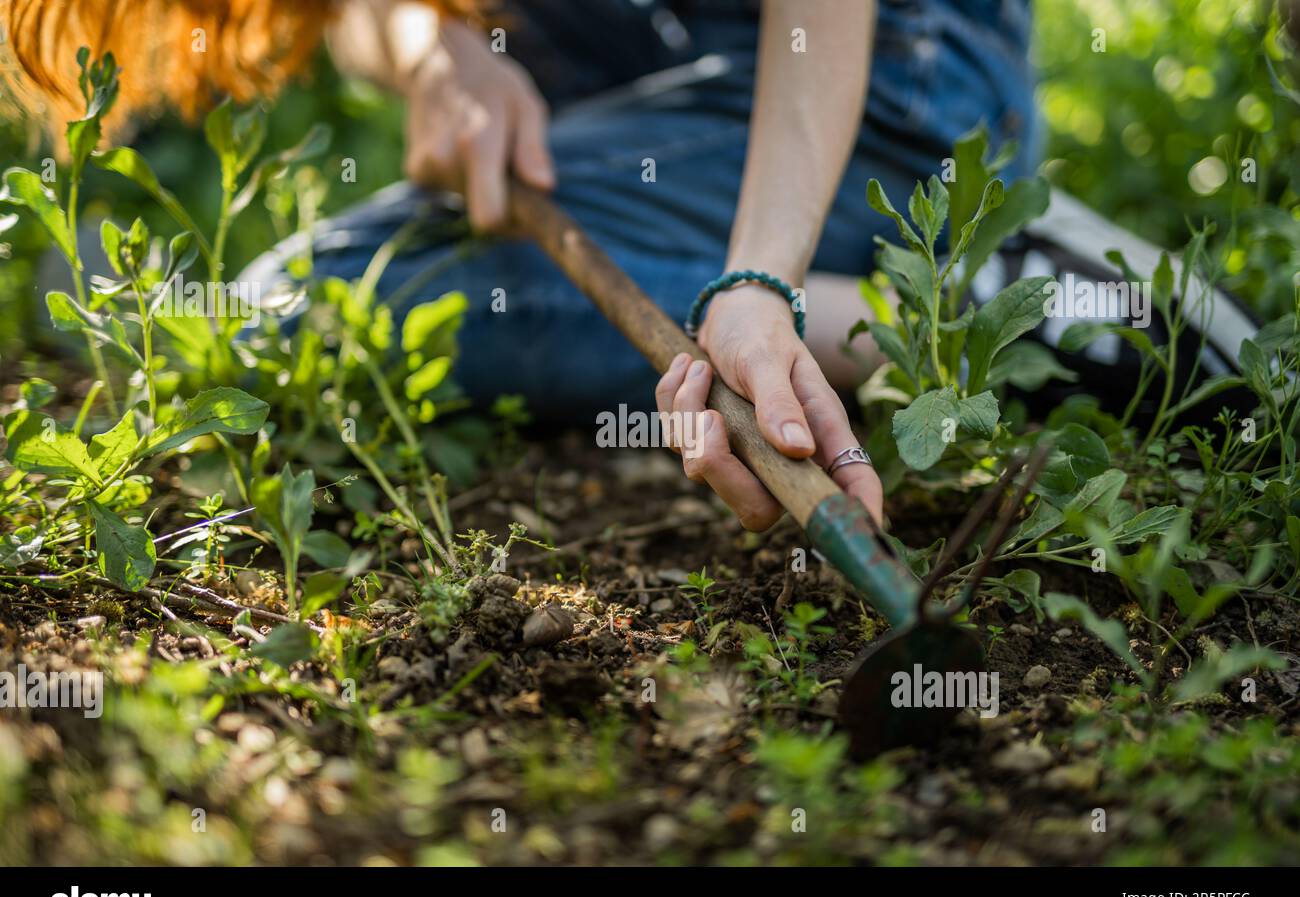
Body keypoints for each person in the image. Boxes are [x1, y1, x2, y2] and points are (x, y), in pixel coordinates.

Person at [2, 0, 1040, 531]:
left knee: (314, 305)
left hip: (881, 87)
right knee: (310, 302)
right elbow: (353, 14)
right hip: (633, 96)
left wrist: (762, 275)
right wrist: (434, 52)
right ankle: (939, 307)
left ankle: (1007, 321)